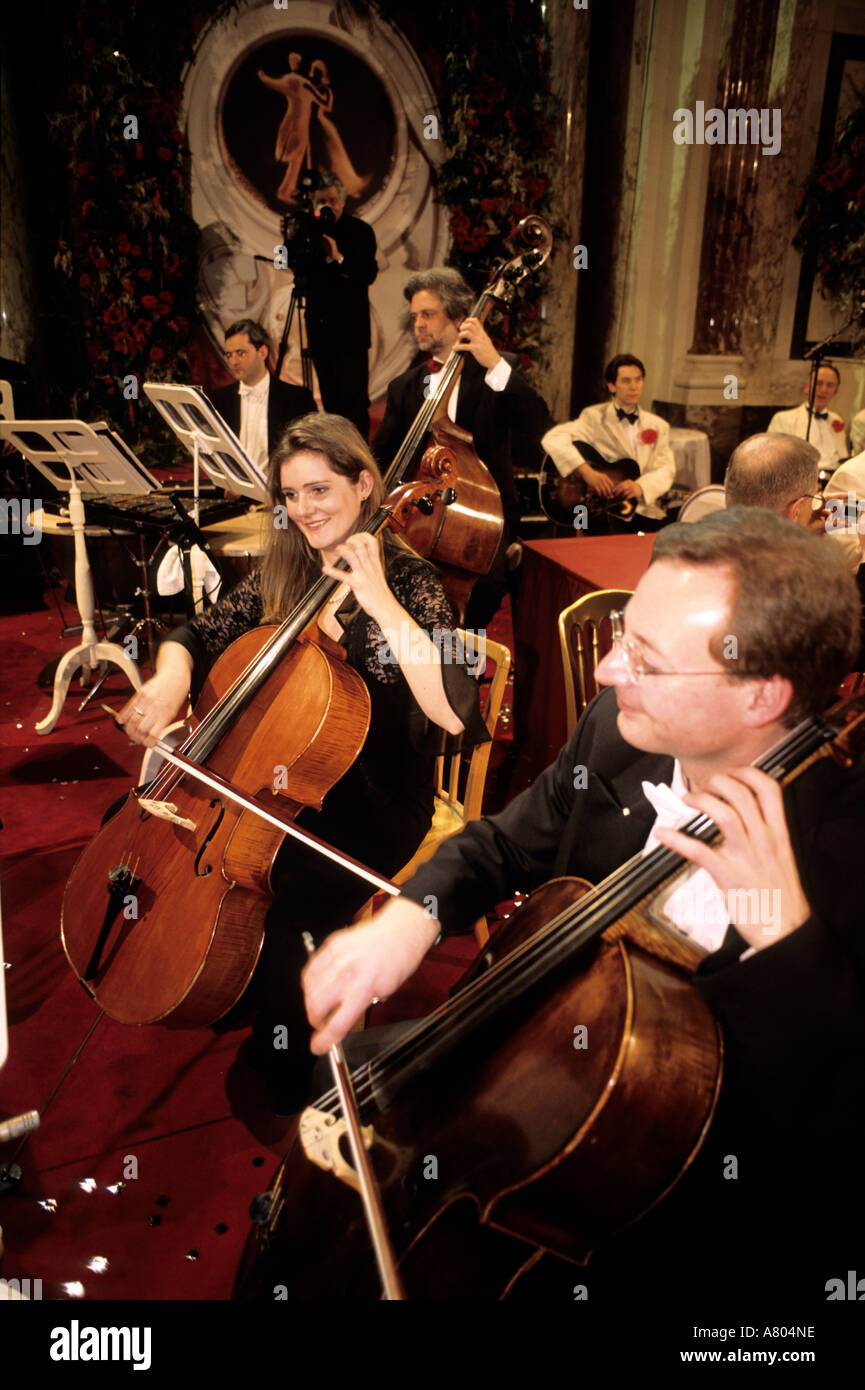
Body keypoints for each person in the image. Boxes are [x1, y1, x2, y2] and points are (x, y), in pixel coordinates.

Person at [303, 507, 865, 1307]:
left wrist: (781, 938)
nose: (605, 673)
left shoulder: (845, 852)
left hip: (679, 1197)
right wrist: (411, 918)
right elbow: (499, 843)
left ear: (760, 696)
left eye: (646, 659)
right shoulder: (620, 728)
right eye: (623, 638)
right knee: (352, 1080)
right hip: (537, 1060)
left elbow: (834, 1136)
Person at [119, 412, 485, 1109]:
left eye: (319, 490)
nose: (303, 509)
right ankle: (231, 980)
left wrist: (379, 600)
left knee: (288, 901)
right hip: (270, 777)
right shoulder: (287, 569)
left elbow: (454, 711)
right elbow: (196, 632)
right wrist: (170, 677)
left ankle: (289, 1069)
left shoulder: (413, 581)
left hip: (373, 799)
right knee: (162, 830)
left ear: (365, 485)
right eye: (290, 495)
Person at [372, 267, 554, 626]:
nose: (418, 324)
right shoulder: (405, 387)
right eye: (414, 317)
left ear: (459, 316)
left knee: (479, 599)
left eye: (428, 314)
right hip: (420, 522)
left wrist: (493, 362)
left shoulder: (497, 371)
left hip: (487, 521)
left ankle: (462, 672)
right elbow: (381, 455)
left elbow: (538, 424)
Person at [541, 354, 676, 523]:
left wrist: (640, 486)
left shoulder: (658, 425)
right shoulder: (594, 417)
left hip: (642, 509)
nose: (634, 387)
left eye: (638, 380)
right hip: (600, 510)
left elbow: (666, 468)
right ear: (612, 386)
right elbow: (552, 438)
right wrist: (586, 472)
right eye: (626, 381)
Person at [303, 173, 378, 439]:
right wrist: (287, 242)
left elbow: (368, 274)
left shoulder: (360, 231)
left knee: (355, 402)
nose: (327, 206)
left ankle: (359, 458)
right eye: (322, 200)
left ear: (342, 202)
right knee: (331, 403)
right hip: (320, 330)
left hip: (351, 333)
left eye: (332, 200)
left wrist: (338, 257)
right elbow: (285, 266)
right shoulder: (307, 231)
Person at [725, 431, 862, 571]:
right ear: (796, 510)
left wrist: (801, 531)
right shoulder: (798, 582)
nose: (818, 505)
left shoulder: (715, 553)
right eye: (815, 496)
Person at [211, 319, 316, 470]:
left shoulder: (297, 399)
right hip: (233, 492)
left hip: (280, 491)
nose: (233, 361)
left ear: (263, 352)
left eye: (240, 353)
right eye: (229, 355)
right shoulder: (220, 400)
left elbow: (307, 455)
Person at [768, 363, 848, 471]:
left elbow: (843, 456)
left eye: (830, 385)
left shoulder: (836, 419)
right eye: (819, 383)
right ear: (806, 387)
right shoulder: (784, 419)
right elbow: (773, 459)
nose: (823, 390)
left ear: (835, 392)